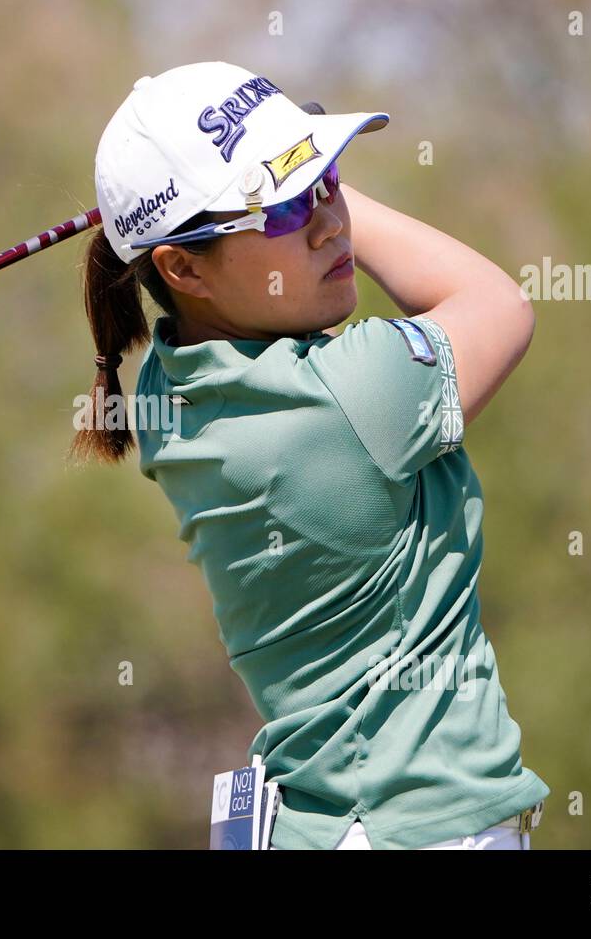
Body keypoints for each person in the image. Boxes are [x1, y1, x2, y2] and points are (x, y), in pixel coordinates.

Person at [72, 61, 548, 850]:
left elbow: (210, 293)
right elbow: (499, 302)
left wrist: (274, 187)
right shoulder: (347, 398)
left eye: (330, 179)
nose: (331, 224)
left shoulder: (169, 388)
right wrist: (326, 183)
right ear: (183, 268)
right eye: (289, 206)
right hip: (414, 832)